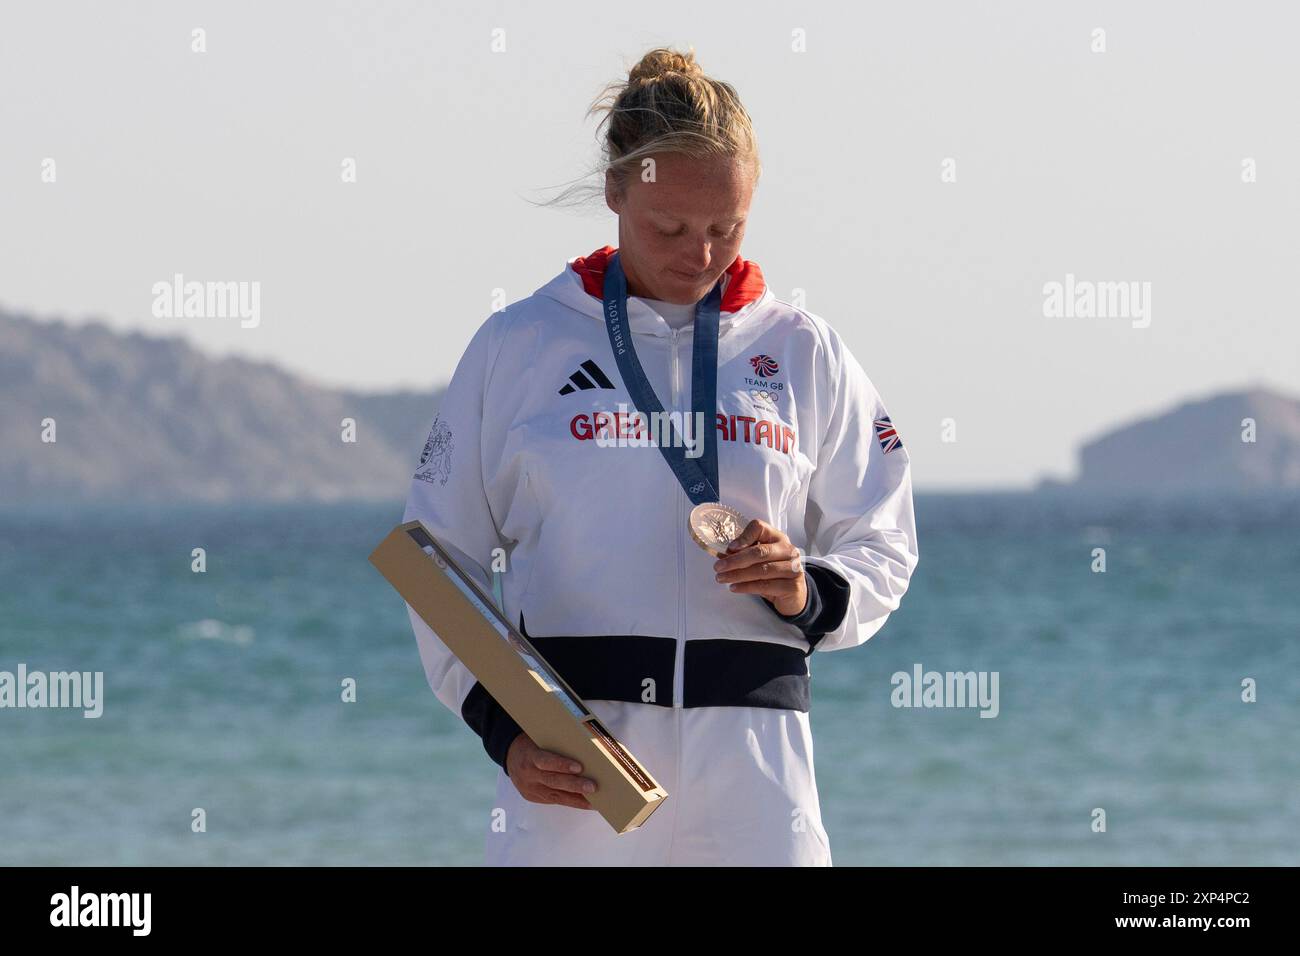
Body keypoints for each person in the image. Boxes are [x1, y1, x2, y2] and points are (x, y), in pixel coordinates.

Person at [401, 47, 918, 866]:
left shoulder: (802, 350)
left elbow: (884, 538)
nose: (700, 254)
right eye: (669, 228)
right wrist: (504, 731)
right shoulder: (521, 344)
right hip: (580, 778)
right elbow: (436, 562)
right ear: (614, 192)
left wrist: (807, 588)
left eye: (726, 228)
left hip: (757, 782)